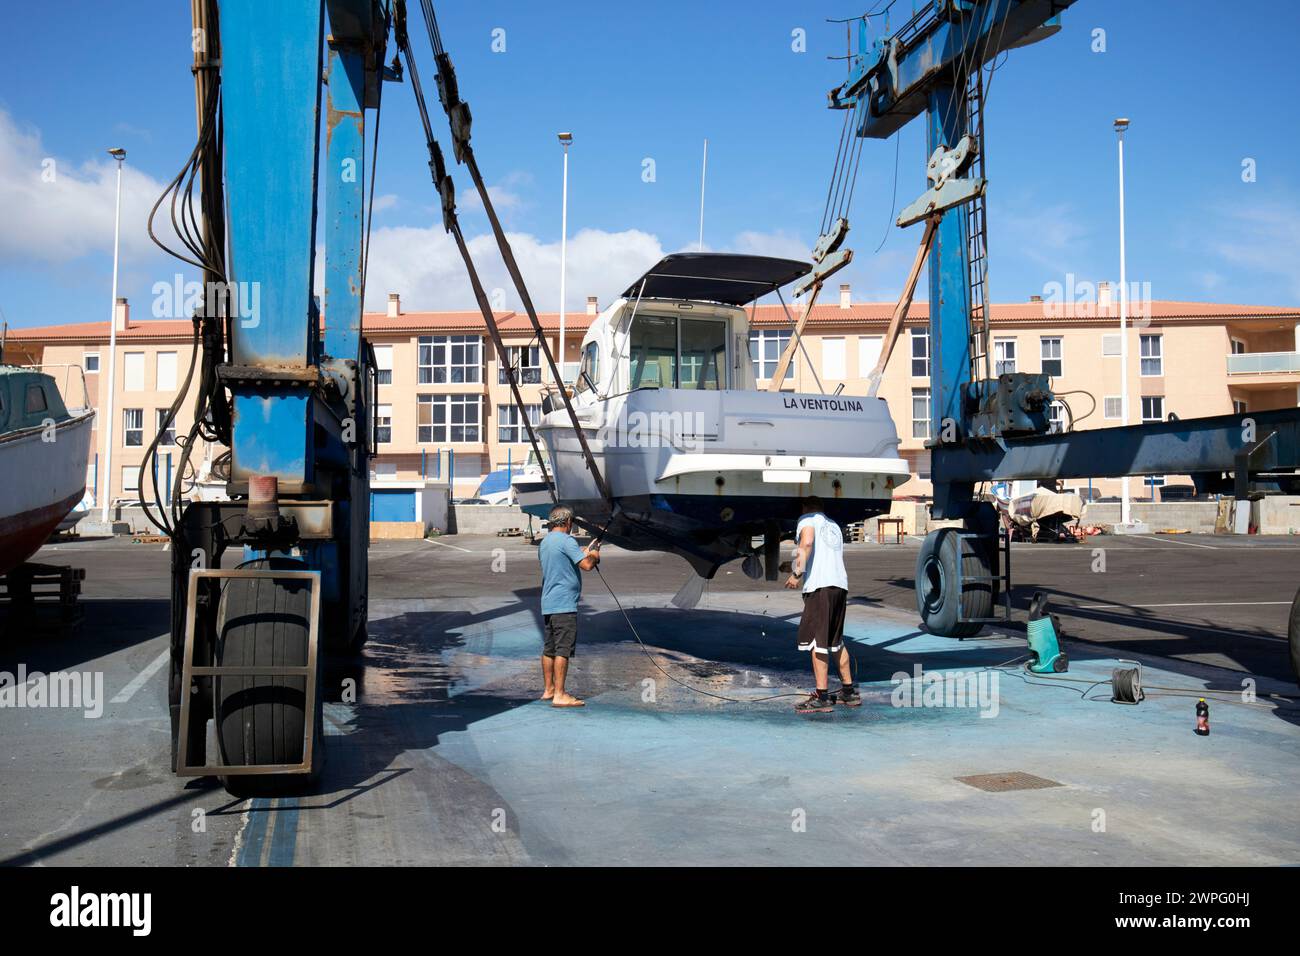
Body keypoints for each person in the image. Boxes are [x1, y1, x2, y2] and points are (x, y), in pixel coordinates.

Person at [783, 496, 857, 714]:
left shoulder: (807, 519)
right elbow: (820, 555)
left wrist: (797, 573)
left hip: (820, 589)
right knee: (836, 641)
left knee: (818, 642)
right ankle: (848, 691)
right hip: (839, 587)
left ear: (805, 508)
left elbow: (806, 543)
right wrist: (790, 565)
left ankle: (822, 696)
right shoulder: (833, 526)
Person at [538, 505, 601, 708]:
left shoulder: (545, 542)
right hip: (564, 605)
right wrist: (594, 554)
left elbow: (561, 562)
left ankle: (548, 690)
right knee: (563, 651)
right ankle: (560, 694)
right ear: (567, 522)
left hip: (548, 603)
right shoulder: (567, 541)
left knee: (549, 649)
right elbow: (587, 566)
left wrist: (581, 552)